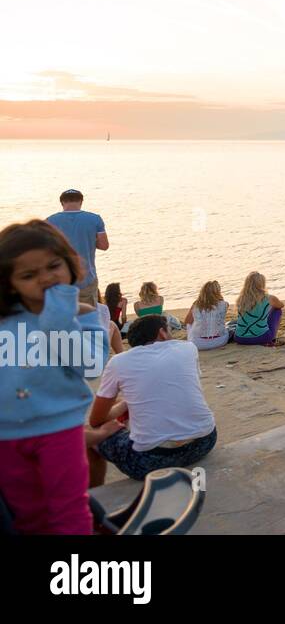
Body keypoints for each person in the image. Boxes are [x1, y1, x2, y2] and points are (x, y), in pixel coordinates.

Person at [0, 220, 109, 534]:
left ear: (70, 264)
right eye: (29, 275)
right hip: (6, 435)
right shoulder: (5, 321)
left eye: (53, 266)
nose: (46, 279)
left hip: (59, 428)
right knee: (27, 512)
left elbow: (89, 367)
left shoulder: (85, 314)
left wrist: (59, 321)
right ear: (10, 283)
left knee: (70, 507)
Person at [86, 314, 217, 485]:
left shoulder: (118, 362)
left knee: (90, 435)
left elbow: (96, 419)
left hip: (149, 461)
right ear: (162, 333)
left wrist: (123, 405)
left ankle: (96, 494)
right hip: (204, 442)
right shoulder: (188, 348)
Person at [45, 190, 108, 304]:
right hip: (87, 277)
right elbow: (104, 246)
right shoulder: (95, 219)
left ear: (62, 202)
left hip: (60, 279)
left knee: (63, 315)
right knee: (88, 317)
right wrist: (88, 240)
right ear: (81, 201)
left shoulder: (50, 221)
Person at [231, 272, 285, 346]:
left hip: (239, 338)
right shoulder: (269, 298)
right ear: (262, 284)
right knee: (277, 310)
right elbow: (281, 305)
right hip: (261, 338)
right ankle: (272, 340)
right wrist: (269, 308)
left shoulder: (240, 299)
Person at [184, 280, 229, 350]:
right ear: (218, 292)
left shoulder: (196, 305)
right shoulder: (225, 304)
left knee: (189, 324)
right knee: (223, 325)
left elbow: (187, 321)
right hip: (220, 341)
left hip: (198, 344)